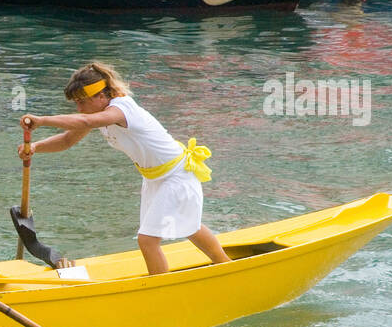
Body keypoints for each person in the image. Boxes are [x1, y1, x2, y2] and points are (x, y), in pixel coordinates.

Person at [16, 63, 231, 276]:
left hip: (177, 175)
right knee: (188, 226)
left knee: (147, 239)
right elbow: (67, 140)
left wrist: (42, 120)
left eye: (82, 102)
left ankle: (162, 289)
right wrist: (35, 147)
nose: (79, 108)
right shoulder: (98, 115)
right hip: (155, 178)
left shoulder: (122, 108)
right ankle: (225, 265)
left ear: (102, 96)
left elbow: (83, 120)